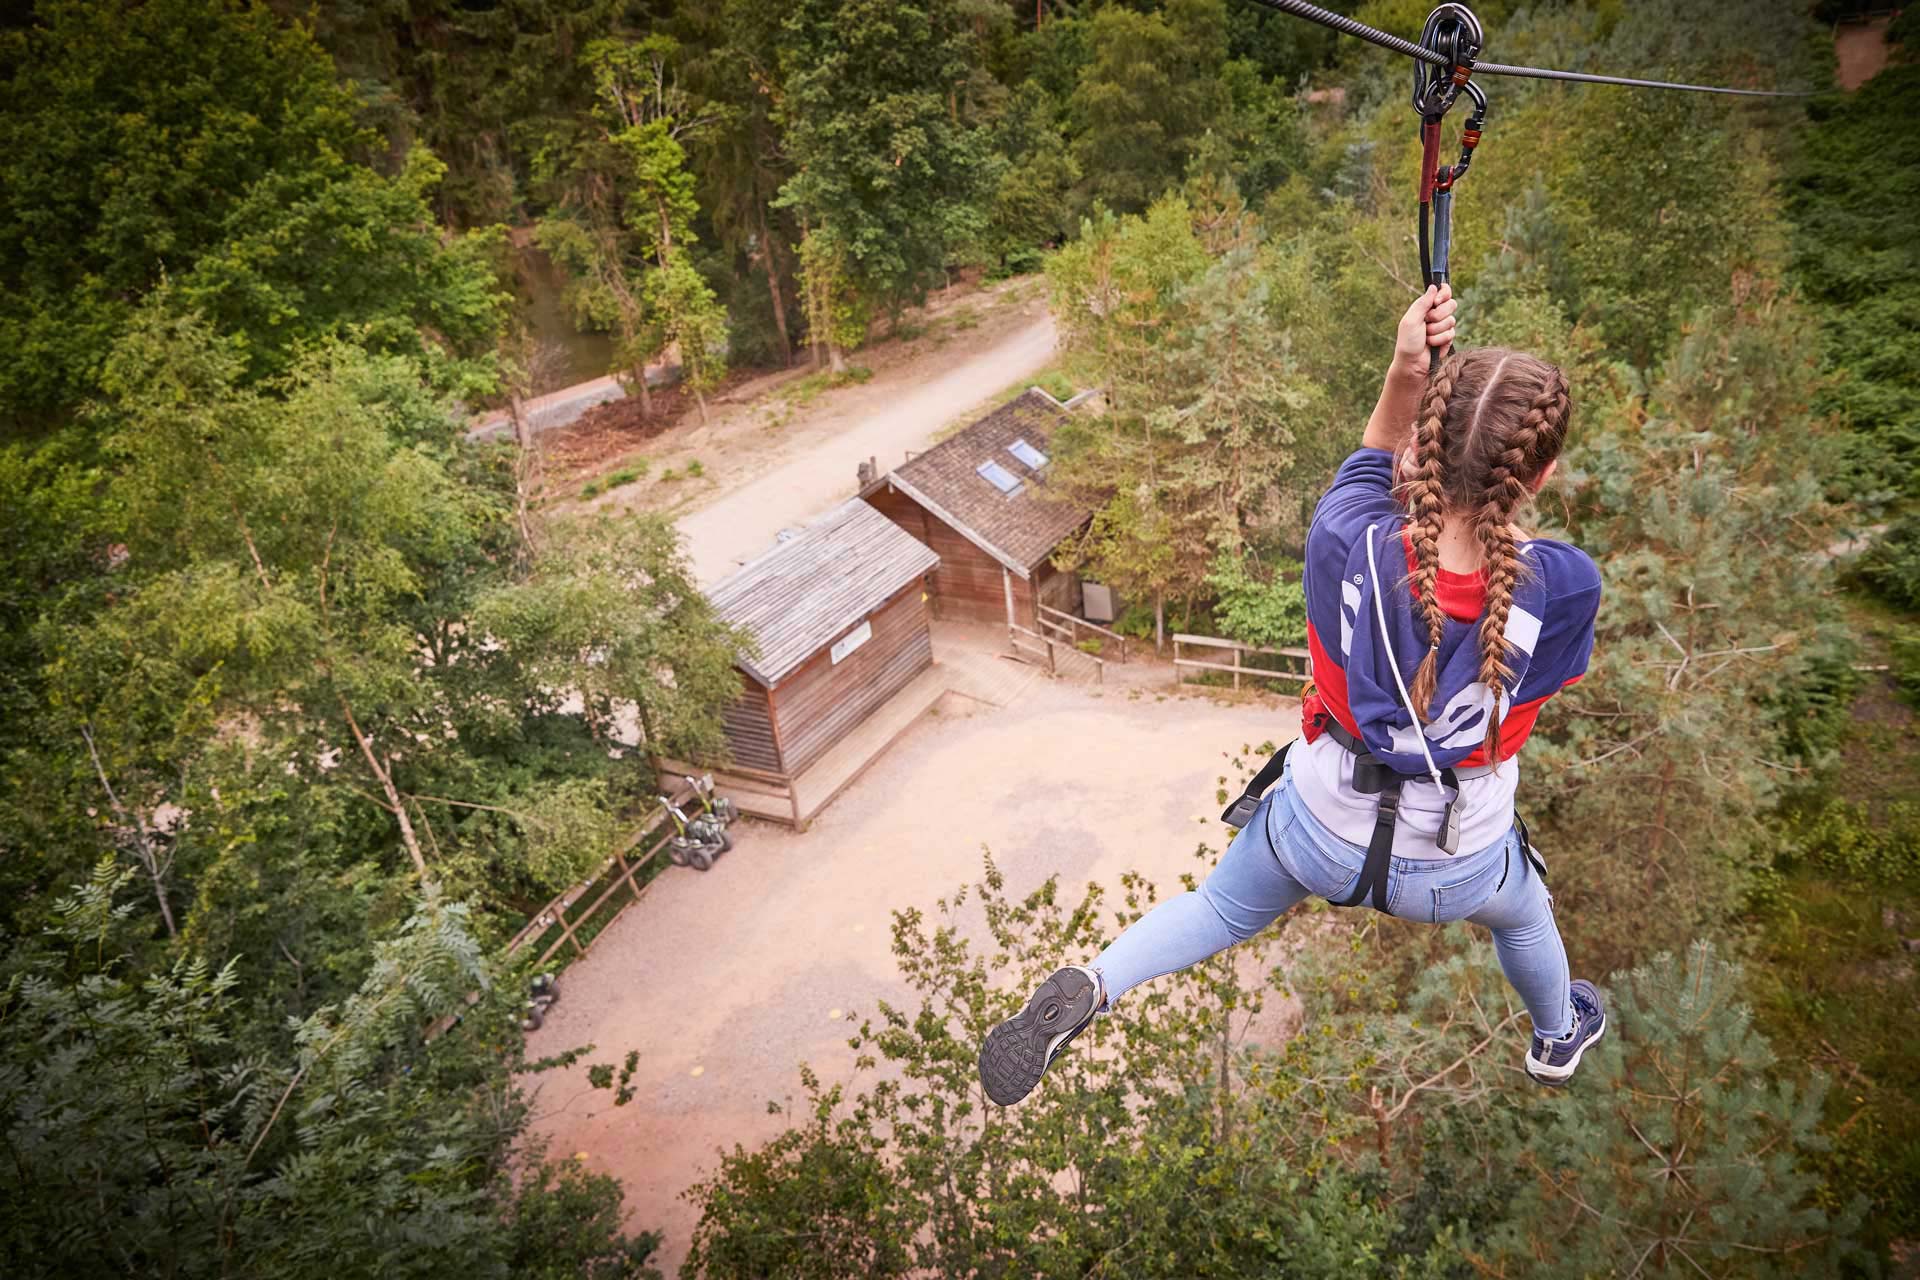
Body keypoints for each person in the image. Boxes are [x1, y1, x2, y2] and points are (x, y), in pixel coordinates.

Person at [978, 285, 1607, 1107]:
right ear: (1543, 473)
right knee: (1525, 915)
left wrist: (1406, 368)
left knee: (1218, 909)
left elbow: (1374, 461)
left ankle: (1097, 984)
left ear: (1428, 443)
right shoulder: (1564, 586)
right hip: (1456, 863)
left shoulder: (1347, 535)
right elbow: (1528, 675)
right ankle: (1557, 1036)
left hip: (1320, 828)